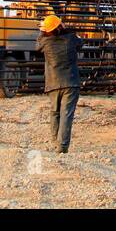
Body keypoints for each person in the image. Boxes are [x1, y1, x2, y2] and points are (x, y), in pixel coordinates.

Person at [37, 14, 80, 153]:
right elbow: (81, 43)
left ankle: (56, 141)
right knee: (66, 114)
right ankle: (62, 146)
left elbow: (38, 45)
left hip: (53, 83)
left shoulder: (45, 42)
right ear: (60, 26)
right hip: (71, 82)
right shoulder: (71, 39)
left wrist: (43, 31)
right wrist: (67, 30)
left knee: (55, 112)